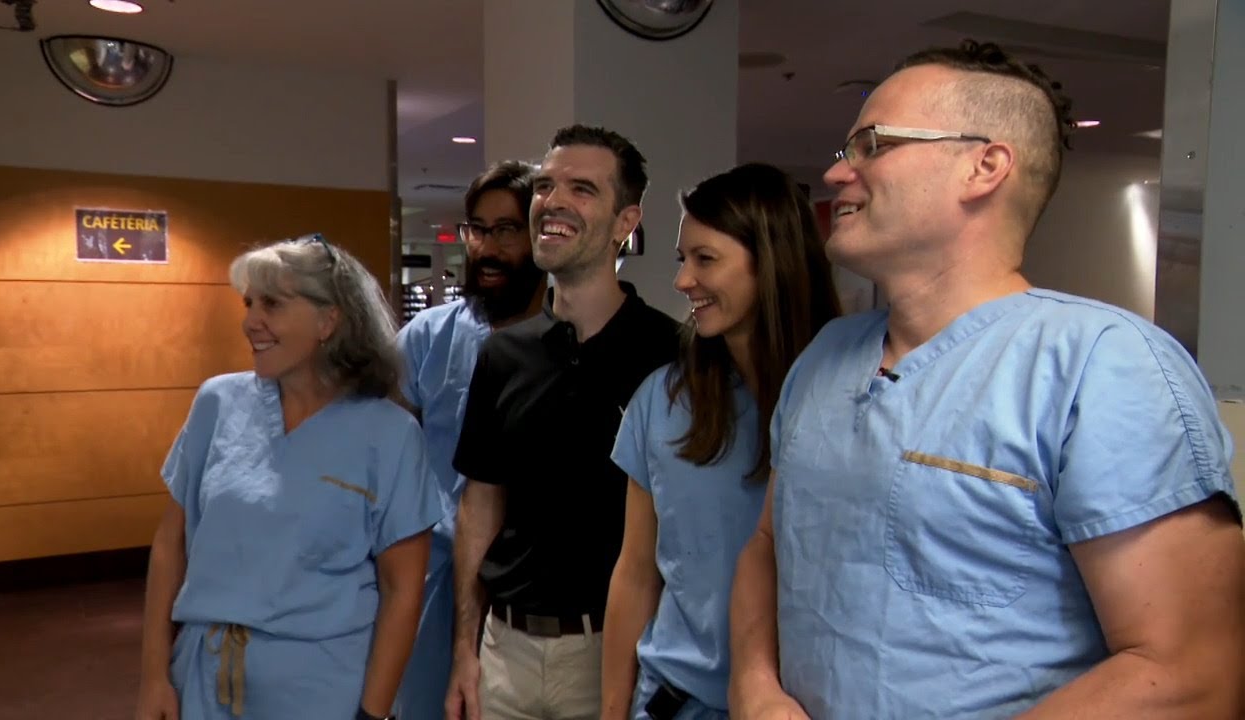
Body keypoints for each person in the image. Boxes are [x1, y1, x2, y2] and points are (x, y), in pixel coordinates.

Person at [728, 39, 1245, 719]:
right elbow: (767, 549)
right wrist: (757, 691)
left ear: (984, 166)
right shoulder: (827, 356)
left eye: (871, 145)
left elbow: (1188, 676)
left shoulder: (1102, 366)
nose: (834, 174)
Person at [135, 235, 440, 720]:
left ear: (329, 320)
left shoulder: (389, 434)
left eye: (272, 304)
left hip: (323, 692)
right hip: (201, 682)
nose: (250, 321)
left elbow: (403, 590)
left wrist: (372, 713)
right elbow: (170, 546)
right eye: (249, 303)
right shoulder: (218, 403)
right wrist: (155, 677)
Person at [445, 124, 680, 720]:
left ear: (626, 222)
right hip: (504, 652)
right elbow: (481, 508)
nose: (553, 201)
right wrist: (464, 653)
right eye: (545, 186)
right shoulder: (502, 355)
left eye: (582, 189)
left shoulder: (671, 355)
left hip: (613, 652)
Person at [601, 163, 841, 720]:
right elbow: (637, 571)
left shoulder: (842, 395)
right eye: (683, 259)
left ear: (773, 264)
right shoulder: (662, 401)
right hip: (675, 702)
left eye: (705, 259)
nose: (684, 281)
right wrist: (612, 712)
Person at [392, 160, 547, 720]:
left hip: (535, 588)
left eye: (506, 230)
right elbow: (380, 450)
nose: (486, 247)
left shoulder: (568, 342)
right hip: (437, 576)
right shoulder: (430, 338)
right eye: (476, 230)